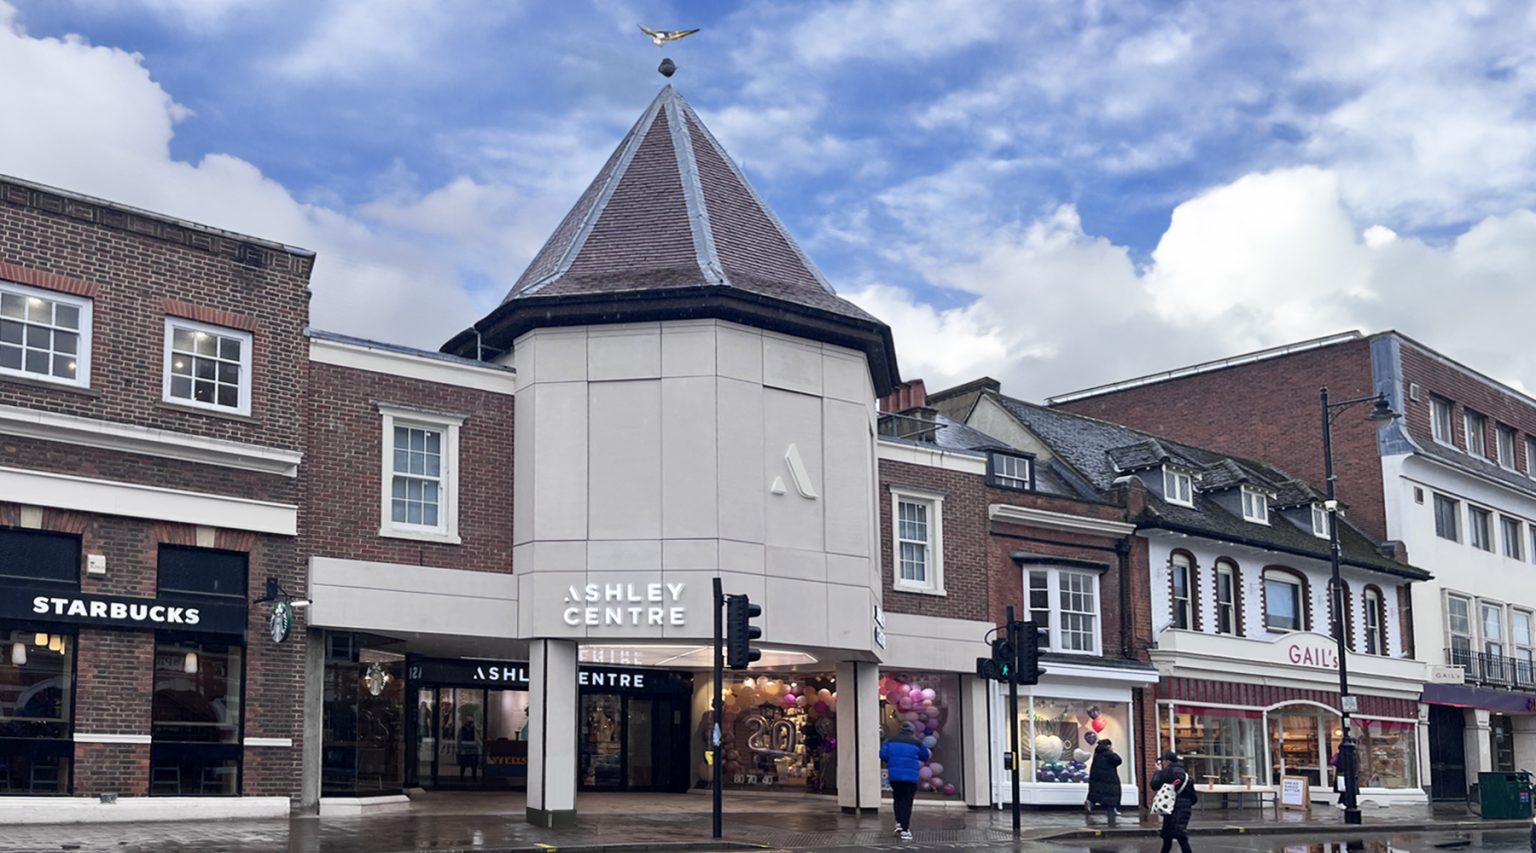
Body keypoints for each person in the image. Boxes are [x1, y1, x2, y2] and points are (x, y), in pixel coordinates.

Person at [880, 721, 930, 842]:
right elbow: (925, 756)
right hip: (911, 778)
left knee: (897, 799)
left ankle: (899, 823)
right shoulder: (917, 743)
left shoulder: (891, 741)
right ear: (912, 731)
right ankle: (905, 829)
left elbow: (882, 754)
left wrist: (892, 760)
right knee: (907, 802)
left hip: (895, 777)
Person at [1149, 751, 1196, 853]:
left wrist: (1158, 772)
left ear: (1166, 761)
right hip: (1184, 808)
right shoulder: (1186, 774)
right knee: (1176, 835)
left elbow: (1154, 785)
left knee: (1174, 836)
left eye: (1162, 761)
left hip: (1170, 807)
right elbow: (1194, 798)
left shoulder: (1166, 773)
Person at [1085, 738, 1122, 826]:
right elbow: (1118, 760)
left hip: (1098, 778)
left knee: (1097, 793)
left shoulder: (1097, 754)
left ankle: (1090, 802)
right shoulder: (1108, 754)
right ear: (1108, 746)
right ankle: (1112, 811)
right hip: (1109, 778)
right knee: (1111, 794)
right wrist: (1112, 752)